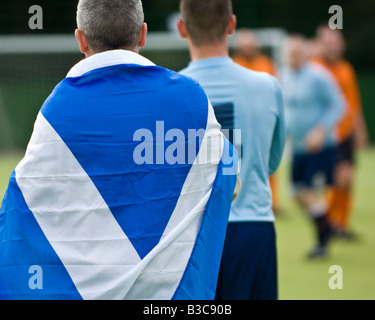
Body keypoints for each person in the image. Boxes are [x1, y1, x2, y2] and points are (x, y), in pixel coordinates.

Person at [0, 0, 239, 300]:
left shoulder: (58, 109)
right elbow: (227, 177)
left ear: (81, 39)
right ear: (142, 34)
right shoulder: (191, 98)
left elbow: (29, 203)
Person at [178, 0, 286, 300]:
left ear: (181, 27)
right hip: (253, 230)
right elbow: (271, 163)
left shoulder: (170, 91)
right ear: (232, 25)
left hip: (192, 234)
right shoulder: (268, 86)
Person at [280, 35, 344, 258]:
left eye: (297, 52)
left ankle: (322, 242)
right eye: (290, 53)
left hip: (320, 146)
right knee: (296, 193)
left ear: (306, 53)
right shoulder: (284, 75)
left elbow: (339, 105)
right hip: (298, 147)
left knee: (310, 192)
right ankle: (327, 225)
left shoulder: (319, 76)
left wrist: (320, 130)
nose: (293, 57)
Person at [313, 27, 369, 239]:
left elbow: (354, 103)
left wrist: (359, 130)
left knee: (347, 179)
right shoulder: (316, 68)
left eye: (335, 42)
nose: (332, 46)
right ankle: (328, 222)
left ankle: (340, 223)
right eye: (327, 42)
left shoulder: (346, 69)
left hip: (345, 133)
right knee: (336, 177)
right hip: (326, 135)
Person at [232, 28, 281, 214]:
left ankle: (272, 201)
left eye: (251, 44)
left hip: (261, 122)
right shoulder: (234, 63)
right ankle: (237, 198)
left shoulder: (266, 63)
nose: (249, 47)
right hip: (238, 122)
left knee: (266, 159)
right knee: (237, 161)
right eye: (245, 44)